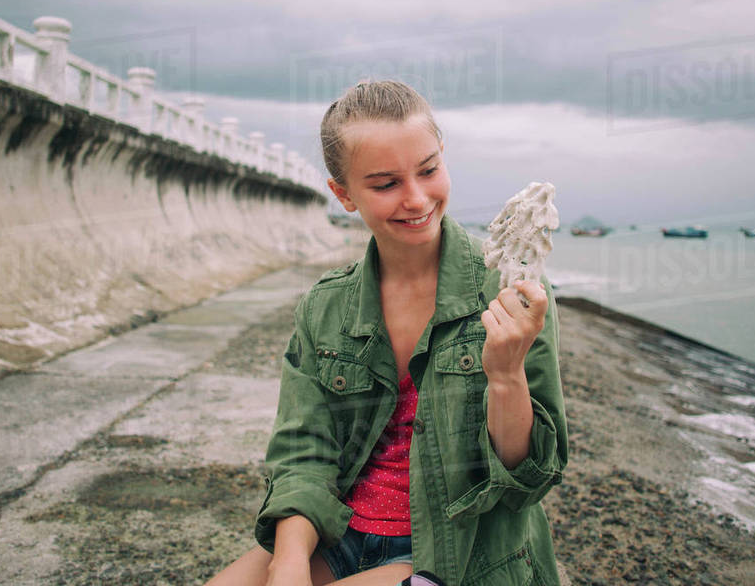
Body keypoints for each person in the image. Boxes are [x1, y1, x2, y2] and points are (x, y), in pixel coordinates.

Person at [205, 80, 567, 586]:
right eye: (385, 184)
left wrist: (506, 374)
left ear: (443, 157)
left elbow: (530, 478)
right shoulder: (326, 307)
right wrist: (287, 563)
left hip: (457, 551)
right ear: (343, 194)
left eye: (429, 170)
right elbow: (303, 449)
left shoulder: (511, 293)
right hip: (339, 532)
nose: (416, 199)